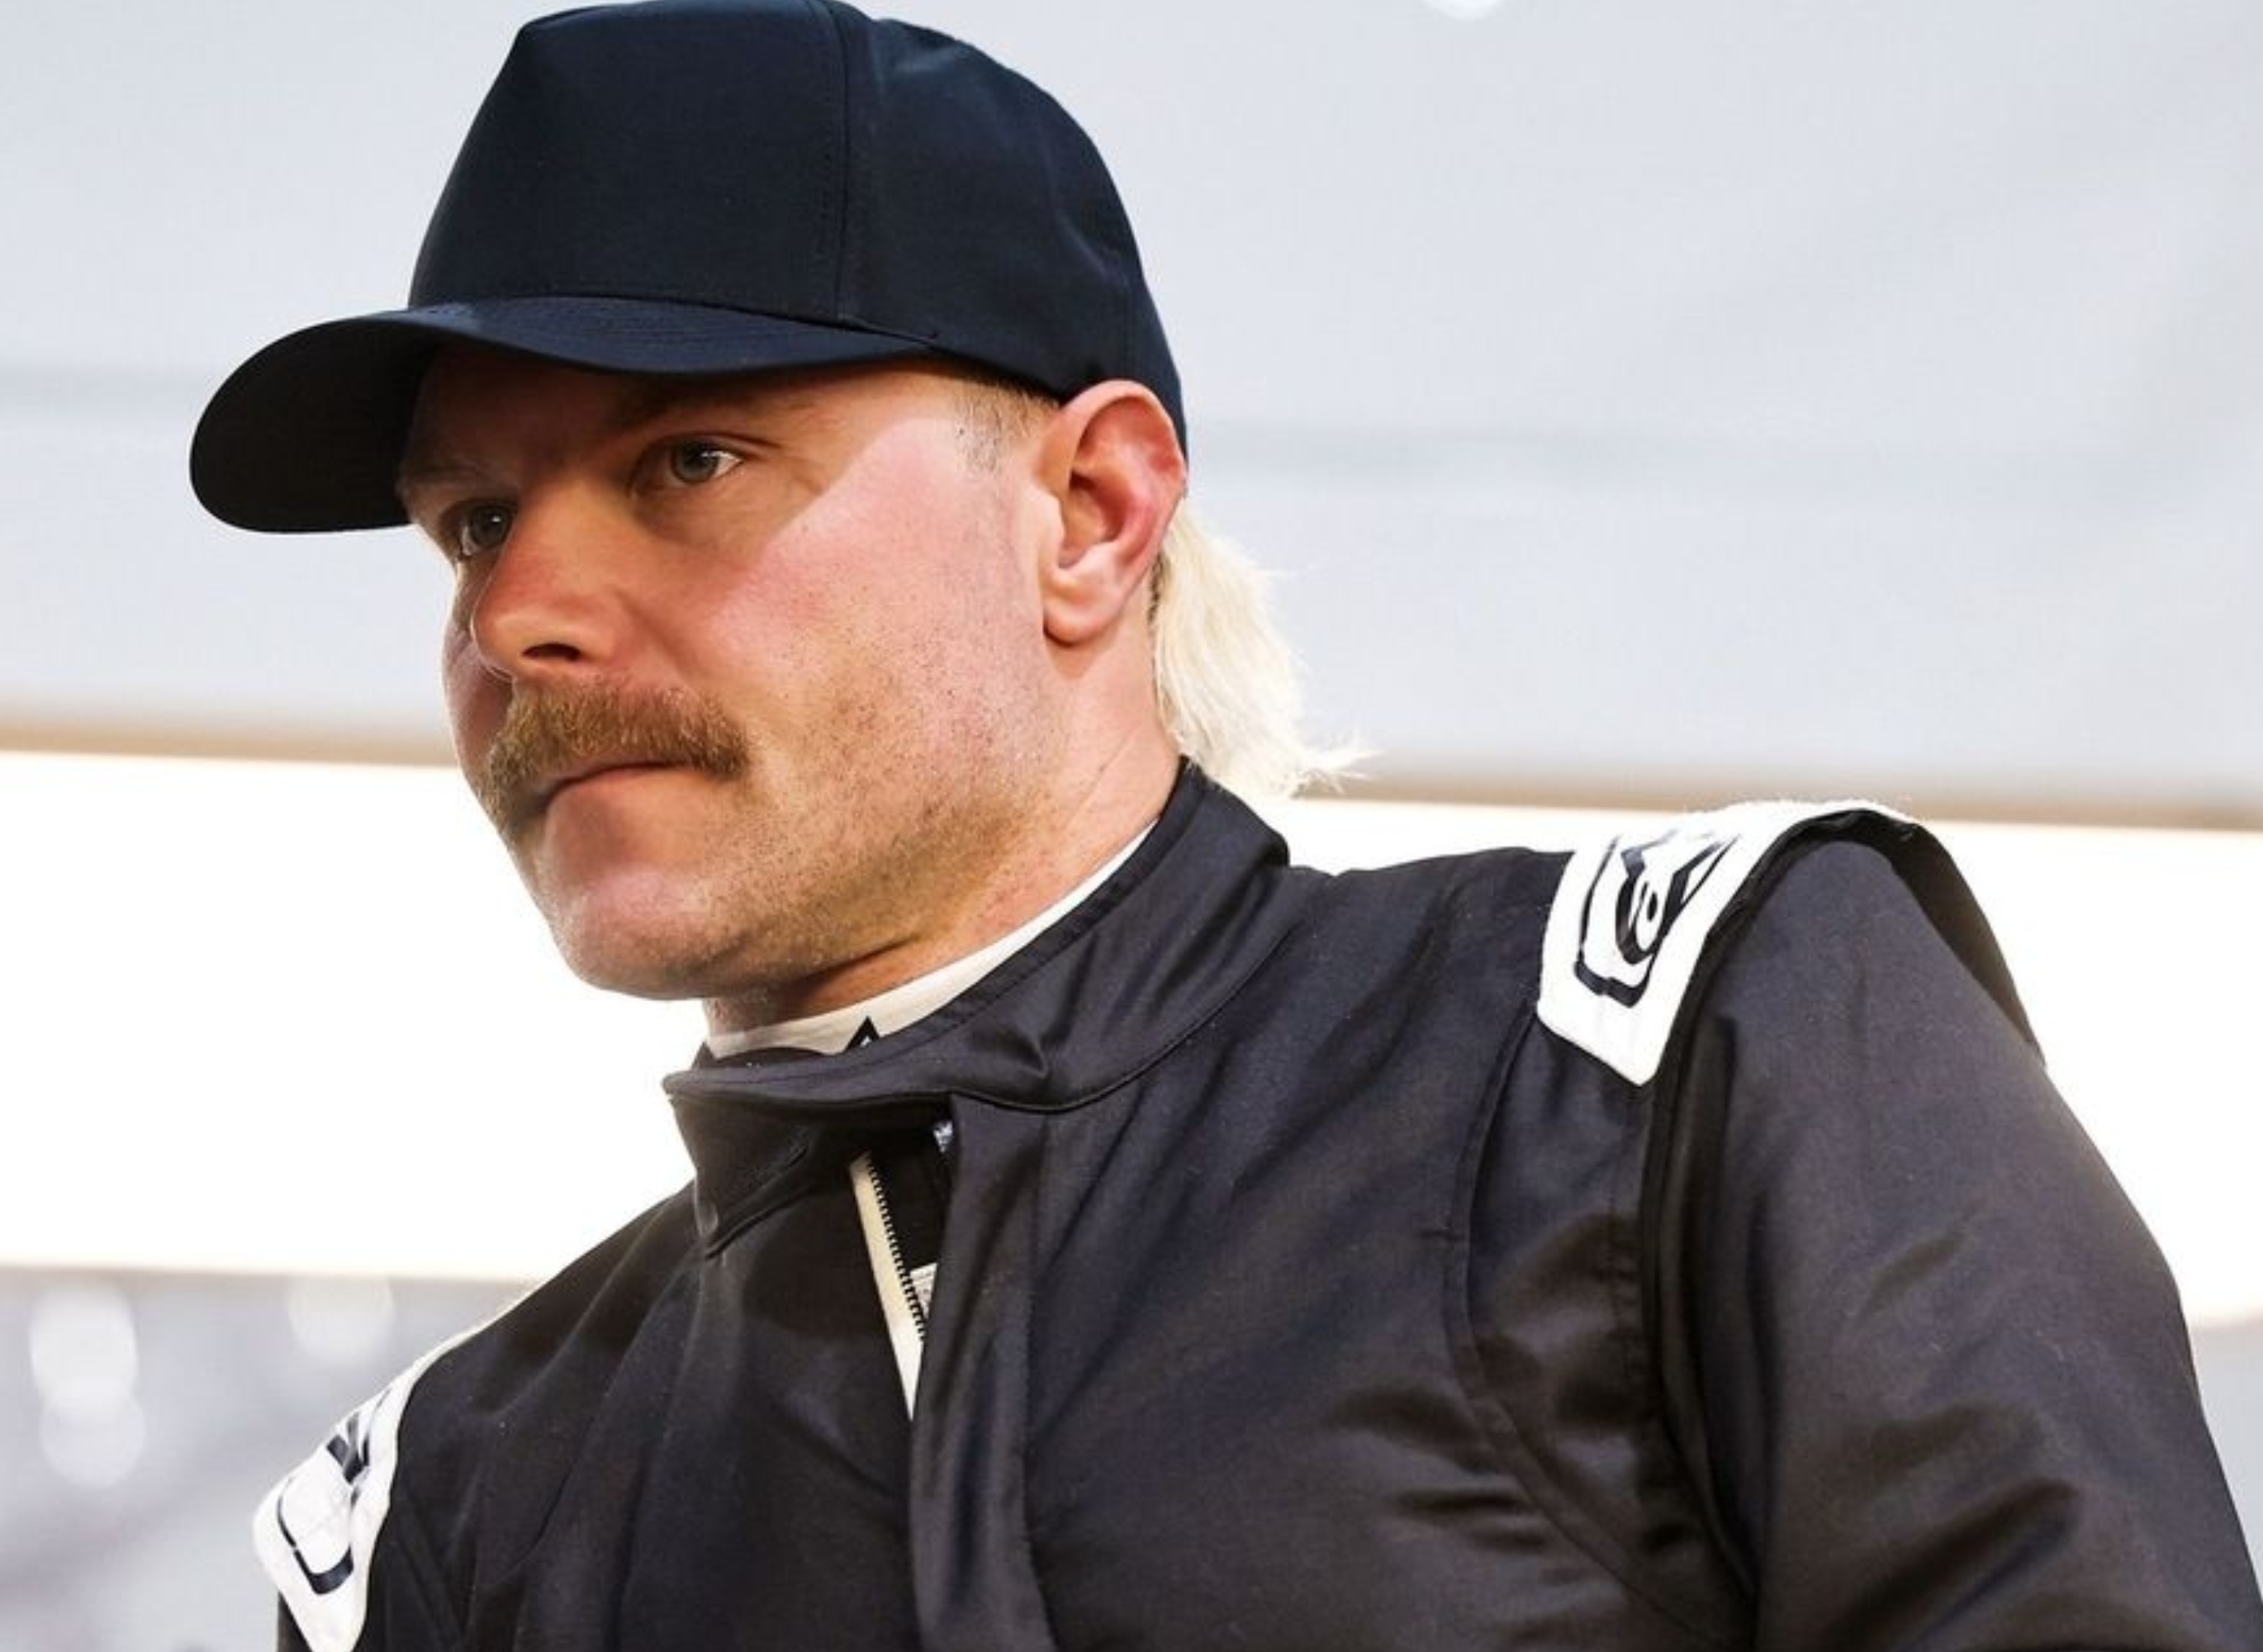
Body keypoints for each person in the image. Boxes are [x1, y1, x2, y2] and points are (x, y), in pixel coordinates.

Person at [191, 2, 2263, 1649]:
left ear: (1090, 514)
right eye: (470, 522)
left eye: (690, 459)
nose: (514, 615)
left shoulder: (1665, 1059)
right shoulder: (450, 1507)